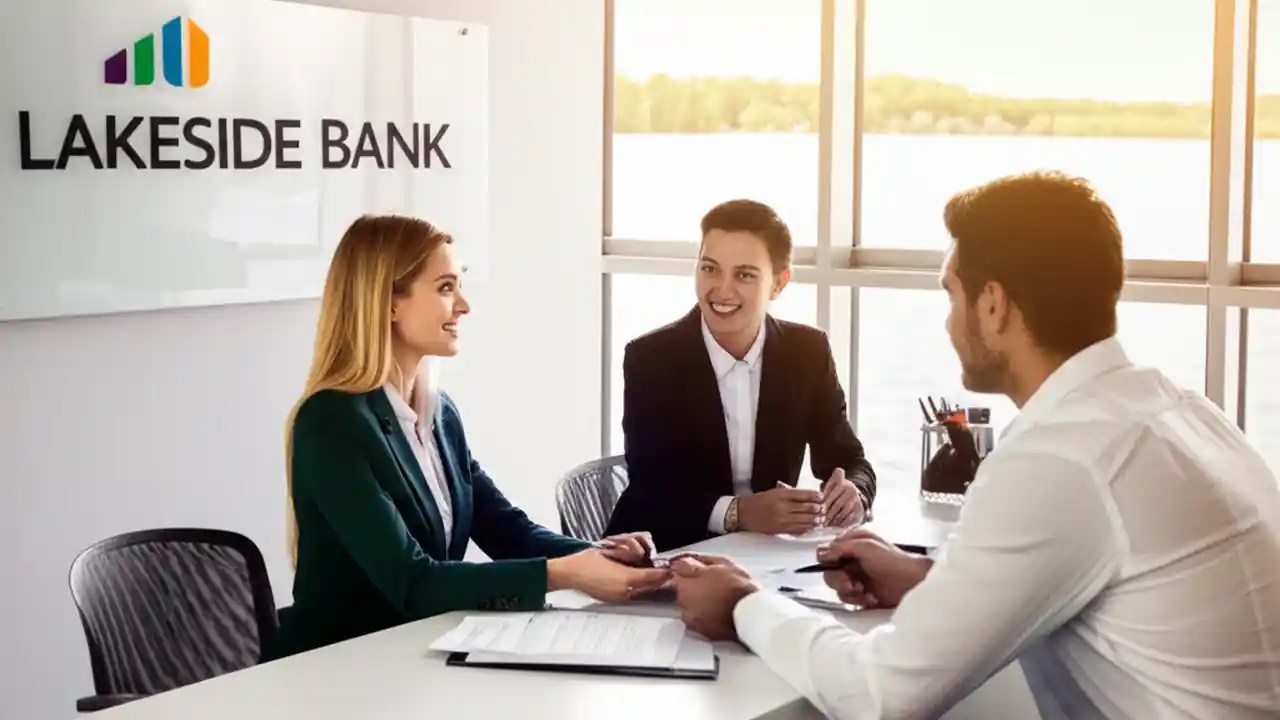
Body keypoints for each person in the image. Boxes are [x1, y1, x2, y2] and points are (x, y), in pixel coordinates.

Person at [668, 173, 1280, 719]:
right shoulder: (1181, 412)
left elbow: (881, 697)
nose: (948, 320)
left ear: (993, 306)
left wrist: (745, 605)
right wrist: (927, 578)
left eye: (951, 294)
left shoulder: (1059, 459)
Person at [262, 214, 669, 661]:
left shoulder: (439, 413)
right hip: (339, 669)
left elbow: (508, 531)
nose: (464, 305)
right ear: (389, 303)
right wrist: (568, 573)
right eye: (445, 288)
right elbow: (414, 582)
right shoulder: (331, 422)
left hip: (417, 654)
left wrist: (606, 558)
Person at [605, 199, 876, 552]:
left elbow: (850, 459)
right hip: (663, 551)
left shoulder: (807, 352)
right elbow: (652, 490)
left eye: (744, 274)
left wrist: (854, 493)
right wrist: (738, 513)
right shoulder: (651, 359)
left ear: (779, 283)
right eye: (710, 269)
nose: (722, 290)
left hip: (766, 556)